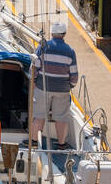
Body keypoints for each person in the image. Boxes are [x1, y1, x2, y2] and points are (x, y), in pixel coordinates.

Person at [31, 19, 78, 148]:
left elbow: (35, 66)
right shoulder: (70, 51)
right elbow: (73, 74)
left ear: (51, 33)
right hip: (62, 89)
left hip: (42, 87)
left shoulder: (43, 47)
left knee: (39, 116)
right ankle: (62, 144)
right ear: (64, 34)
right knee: (61, 118)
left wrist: (34, 81)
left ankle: (34, 142)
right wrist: (70, 86)